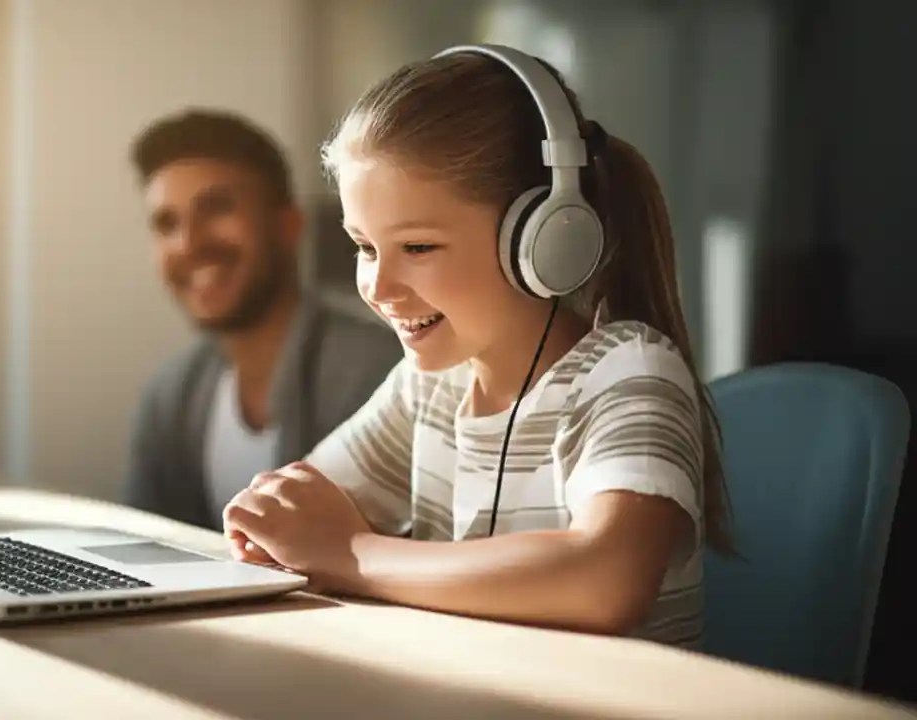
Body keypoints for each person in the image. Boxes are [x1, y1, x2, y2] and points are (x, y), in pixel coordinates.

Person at [221, 46, 732, 646]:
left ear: (543, 239)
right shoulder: (430, 386)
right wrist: (285, 530)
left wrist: (353, 553)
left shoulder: (628, 374)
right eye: (364, 247)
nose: (379, 288)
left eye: (417, 248)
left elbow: (606, 580)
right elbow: (298, 515)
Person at [125, 110, 401, 531]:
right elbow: (142, 560)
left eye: (216, 208)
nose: (189, 243)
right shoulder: (170, 399)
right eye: (167, 223)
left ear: (288, 225)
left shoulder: (379, 373)